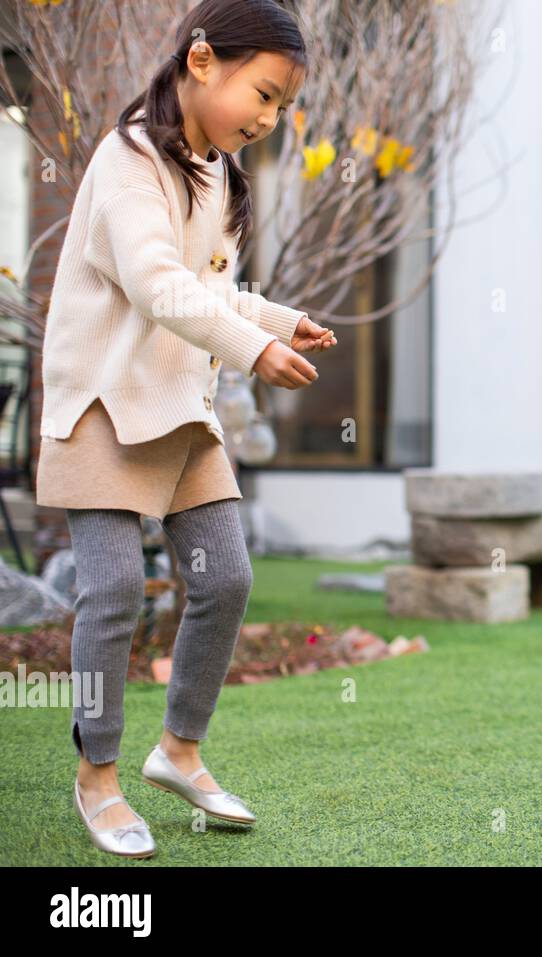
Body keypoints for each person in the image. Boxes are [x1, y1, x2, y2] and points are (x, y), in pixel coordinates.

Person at [36, 0, 335, 857]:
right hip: (102, 408)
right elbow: (158, 287)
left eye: (283, 107)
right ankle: (97, 776)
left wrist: (278, 321)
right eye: (265, 94)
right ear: (202, 61)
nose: (271, 121)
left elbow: (205, 295)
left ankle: (179, 750)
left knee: (227, 580)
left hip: (179, 409)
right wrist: (252, 352)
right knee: (114, 592)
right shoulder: (130, 158)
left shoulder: (210, 172)